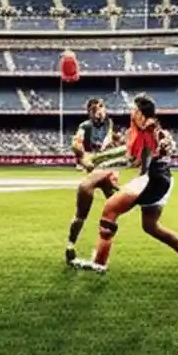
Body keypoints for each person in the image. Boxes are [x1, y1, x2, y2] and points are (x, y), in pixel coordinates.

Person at [72, 96, 178, 279]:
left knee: (110, 209)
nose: (131, 112)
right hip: (164, 180)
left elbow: (151, 145)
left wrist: (95, 160)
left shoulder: (149, 128)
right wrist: (100, 161)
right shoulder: (142, 130)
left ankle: (99, 263)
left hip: (152, 179)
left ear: (140, 114)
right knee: (150, 226)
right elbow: (133, 158)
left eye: (134, 109)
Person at [65, 98, 120, 264]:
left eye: (102, 107)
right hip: (94, 170)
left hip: (106, 170)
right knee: (81, 215)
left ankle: (101, 250)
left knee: (115, 210)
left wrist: (116, 142)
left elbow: (113, 141)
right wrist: (82, 157)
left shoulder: (109, 123)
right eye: (96, 109)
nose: (100, 111)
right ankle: (70, 245)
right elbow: (76, 145)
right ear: (90, 112)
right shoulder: (85, 126)